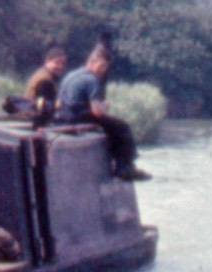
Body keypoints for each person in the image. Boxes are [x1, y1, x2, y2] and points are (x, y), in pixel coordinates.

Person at [54, 46, 151, 181]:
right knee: (122, 127)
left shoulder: (71, 75)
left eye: (105, 67)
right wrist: (104, 106)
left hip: (62, 117)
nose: (104, 70)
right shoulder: (92, 80)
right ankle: (125, 167)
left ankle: (121, 164)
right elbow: (97, 112)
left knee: (111, 125)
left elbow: (58, 103)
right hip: (79, 118)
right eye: (103, 66)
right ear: (94, 62)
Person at [20, 45, 68, 126]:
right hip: (33, 119)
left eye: (63, 64)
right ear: (47, 61)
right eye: (56, 62)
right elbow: (41, 107)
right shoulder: (44, 81)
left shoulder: (45, 74)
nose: (60, 66)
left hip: (32, 115)